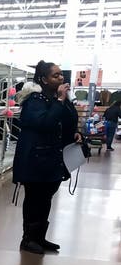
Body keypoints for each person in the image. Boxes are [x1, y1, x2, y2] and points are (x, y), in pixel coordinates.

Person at [13, 61, 81, 255]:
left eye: (61, 75)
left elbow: (65, 122)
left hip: (53, 160)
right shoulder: (34, 100)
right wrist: (60, 100)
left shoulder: (58, 99)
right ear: (43, 79)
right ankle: (28, 239)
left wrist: (74, 134)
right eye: (55, 75)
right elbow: (45, 123)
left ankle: (40, 237)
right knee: (35, 199)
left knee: (46, 199)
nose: (61, 78)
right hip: (35, 161)